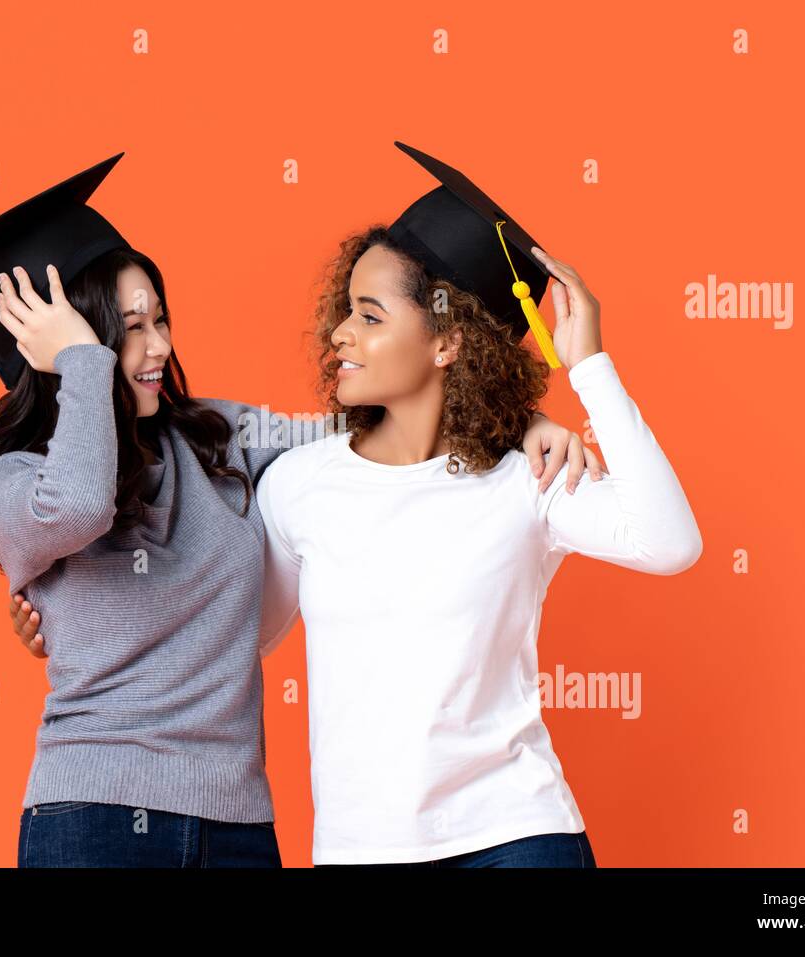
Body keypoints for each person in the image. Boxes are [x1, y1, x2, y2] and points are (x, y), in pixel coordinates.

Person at [0, 153, 593, 867]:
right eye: (127, 328)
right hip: (89, 822)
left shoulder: (214, 437)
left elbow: (383, 428)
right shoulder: (11, 483)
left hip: (237, 827)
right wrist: (82, 365)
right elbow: (85, 502)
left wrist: (514, 423)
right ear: (55, 349)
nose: (159, 345)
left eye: (160, 318)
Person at [254, 144, 703, 866]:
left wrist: (588, 366)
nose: (340, 333)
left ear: (447, 343)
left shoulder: (527, 474)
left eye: (370, 316)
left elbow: (671, 541)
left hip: (514, 838)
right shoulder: (298, 485)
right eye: (346, 311)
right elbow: (240, 635)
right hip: (361, 850)